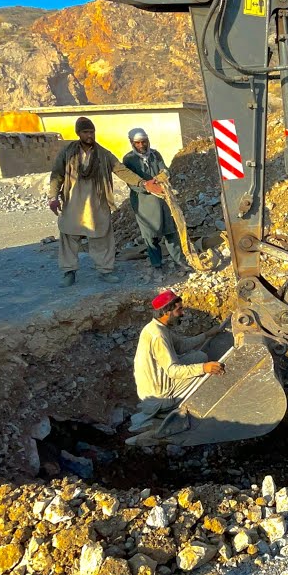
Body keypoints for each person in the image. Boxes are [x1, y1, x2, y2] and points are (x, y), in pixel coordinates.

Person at [48, 116, 163, 286]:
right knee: (69, 236)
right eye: (86, 132)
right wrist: (53, 196)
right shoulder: (67, 152)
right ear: (78, 133)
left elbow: (121, 170)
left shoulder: (103, 154)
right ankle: (69, 272)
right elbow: (57, 174)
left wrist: (143, 183)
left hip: (97, 201)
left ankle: (105, 270)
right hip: (73, 202)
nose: (90, 135)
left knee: (101, 236)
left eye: (92, 132)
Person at [132, 289, 226, 430]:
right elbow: (173, 371)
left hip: (158, 385)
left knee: (200, 357)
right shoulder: (158, 336)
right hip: (159, 397)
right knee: (204, 374)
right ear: (167, 312)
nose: (182, 313)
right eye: (179, 310)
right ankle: (178, 410)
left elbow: (181, 346)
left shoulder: (157, 327)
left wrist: (206, 334)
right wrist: (204, 368)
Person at [121, 128, 186, 278]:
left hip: (163, 198)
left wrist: (163, 176)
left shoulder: (155, 154)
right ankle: (157, 265)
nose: (141, 145)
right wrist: (147, 186)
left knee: (170, 231)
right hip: (144, 202)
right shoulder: (129, 159)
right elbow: (131, 181)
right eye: (137, 143)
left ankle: (178, 260)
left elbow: (165, 170)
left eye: (144, 142)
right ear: (132, 143)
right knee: (150, 235)